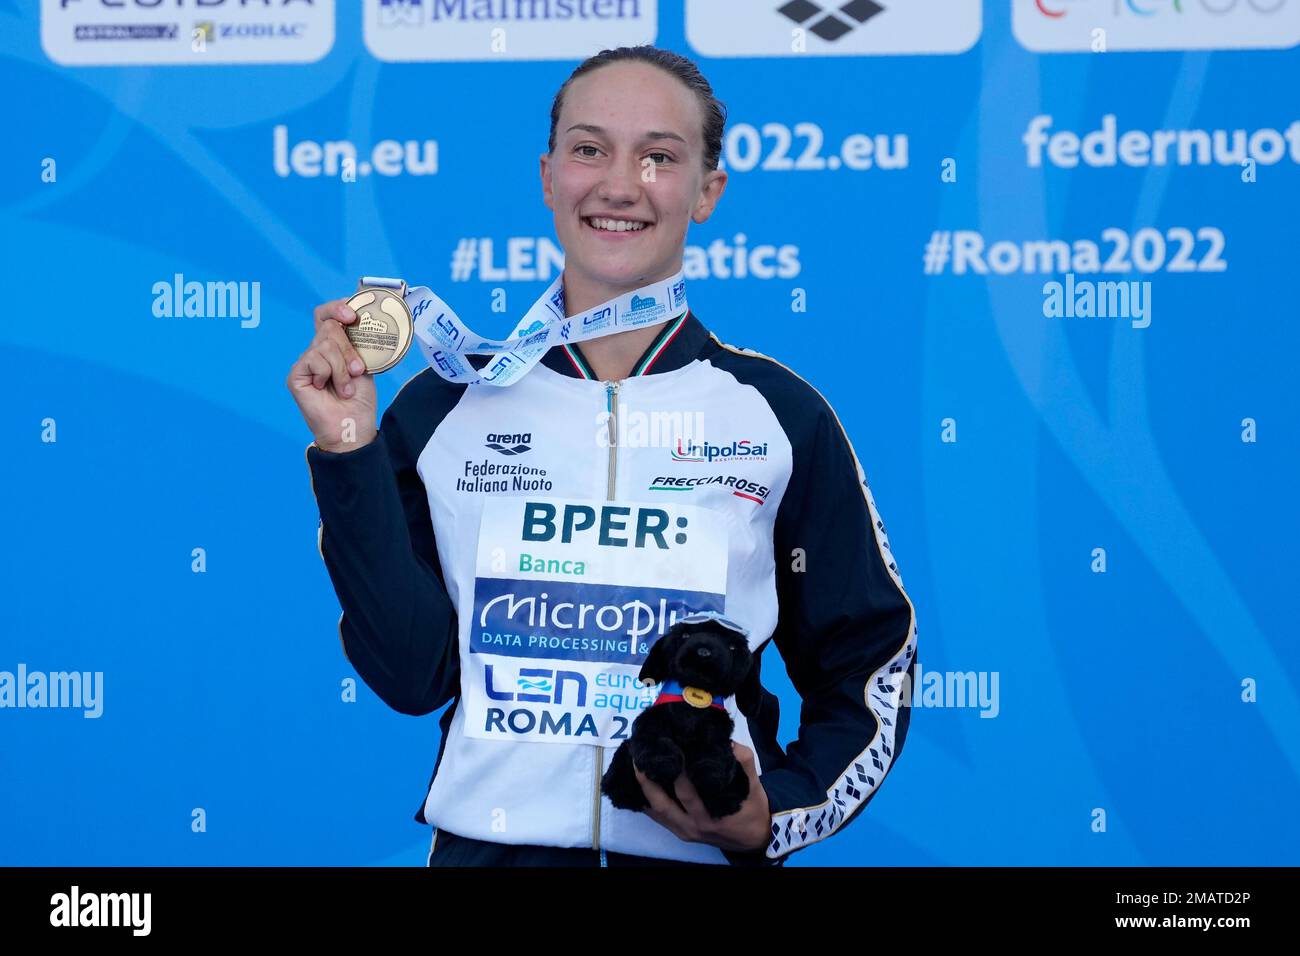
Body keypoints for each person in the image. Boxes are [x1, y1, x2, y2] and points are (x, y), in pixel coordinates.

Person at [287, 45, 918, 867]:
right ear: (549, 177)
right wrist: (349, 447)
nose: (620, 185)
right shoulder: (444, 406)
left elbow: (872, 662)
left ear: (707, 191)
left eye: (660, 157)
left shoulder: (779, 416)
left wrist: (778, 814)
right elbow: (410, 676)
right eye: (590, 150)